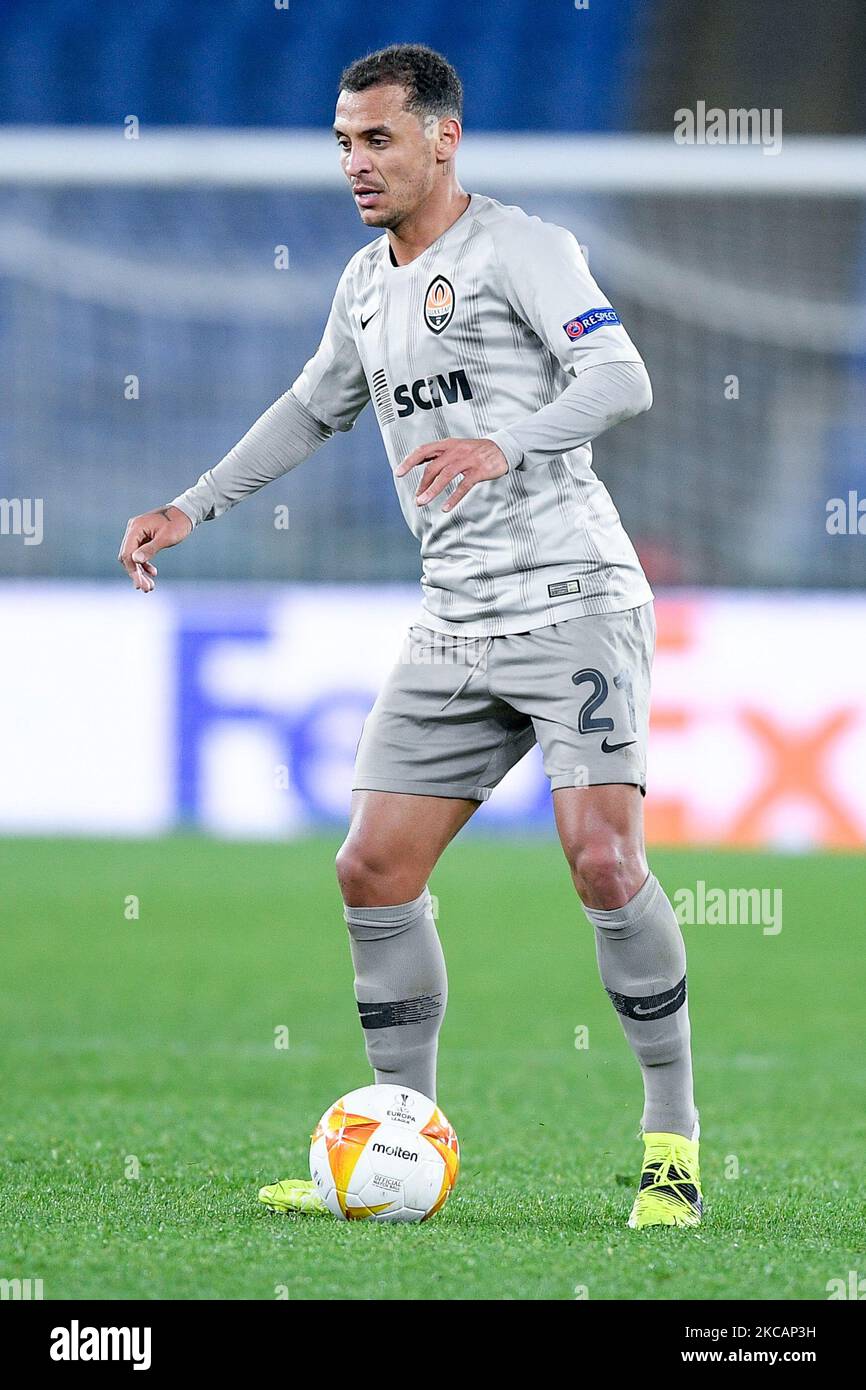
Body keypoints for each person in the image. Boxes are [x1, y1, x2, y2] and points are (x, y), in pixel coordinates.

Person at [118, 43, 701, 1229]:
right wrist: (193, 503)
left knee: (601, 857)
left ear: (442, 137)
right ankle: (403, 1140)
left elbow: (622, 376)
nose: (354, 162)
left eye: (375, 138)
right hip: (452, 623)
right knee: (371, 869)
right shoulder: (362, 282)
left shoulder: (524, 249)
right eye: (341, 141)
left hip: (573, 599)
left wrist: (507, 440)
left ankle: (671, 1147)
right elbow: (310, 403)